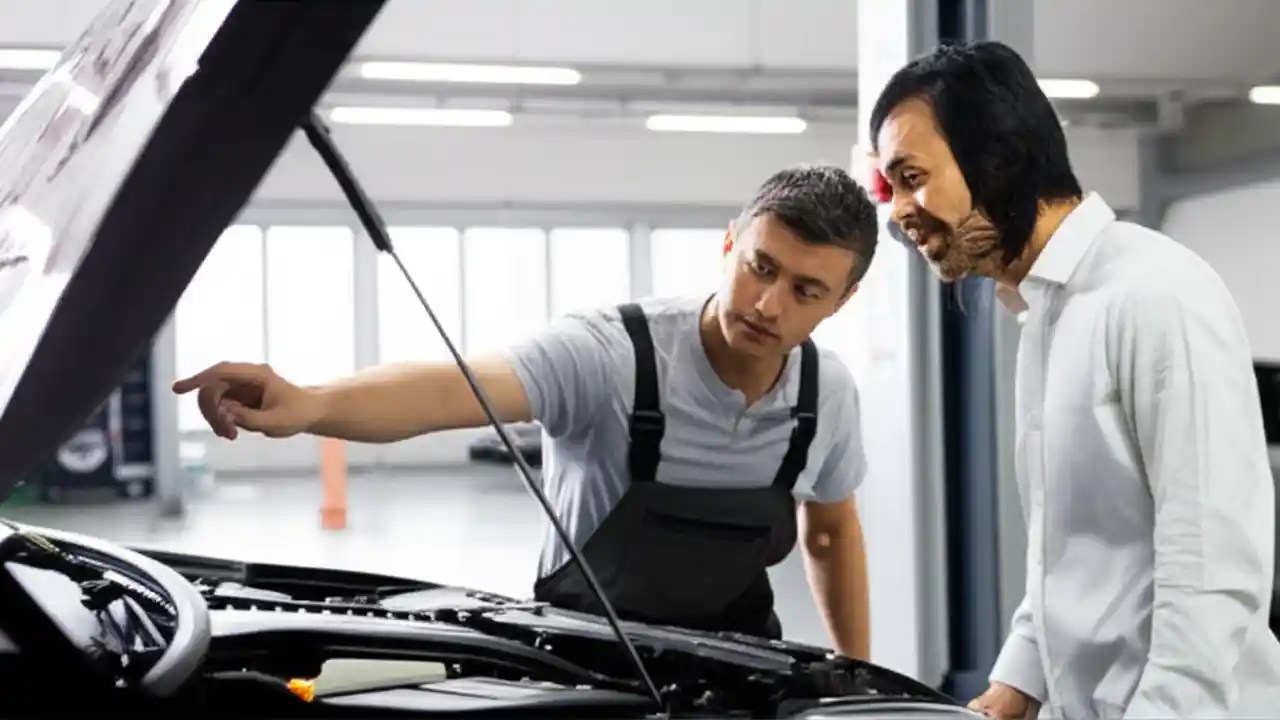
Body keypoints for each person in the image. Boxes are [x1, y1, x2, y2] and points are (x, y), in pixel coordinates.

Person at [173, 164, 879, 659]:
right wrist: (310, 402)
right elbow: (454, 386)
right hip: (585, 664)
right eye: (760, 266)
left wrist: (858, 676)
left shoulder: (828, 394)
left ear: (841, 302)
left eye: (806, 290)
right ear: (729, 243)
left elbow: (829, 534)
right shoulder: (610, 357)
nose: (767, 304)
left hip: (734, 668)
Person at [869, 40, 1280, 719]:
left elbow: (1212, 565)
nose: (900, 211)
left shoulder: (1153, 293)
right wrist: (1018, 679)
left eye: (912, 177)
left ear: (995, 158)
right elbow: (1070, 551)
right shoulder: (1047, 309)